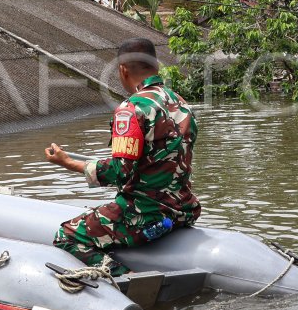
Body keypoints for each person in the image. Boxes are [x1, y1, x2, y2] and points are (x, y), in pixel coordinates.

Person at [44, 37, 200, 274]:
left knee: (66, 236)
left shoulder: (131, 109)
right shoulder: (181, 103)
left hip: (146, 212)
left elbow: (120, 171)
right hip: (184, 210)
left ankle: (125, 278)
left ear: (123, 70)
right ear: (155, 66)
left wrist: (68, 163)